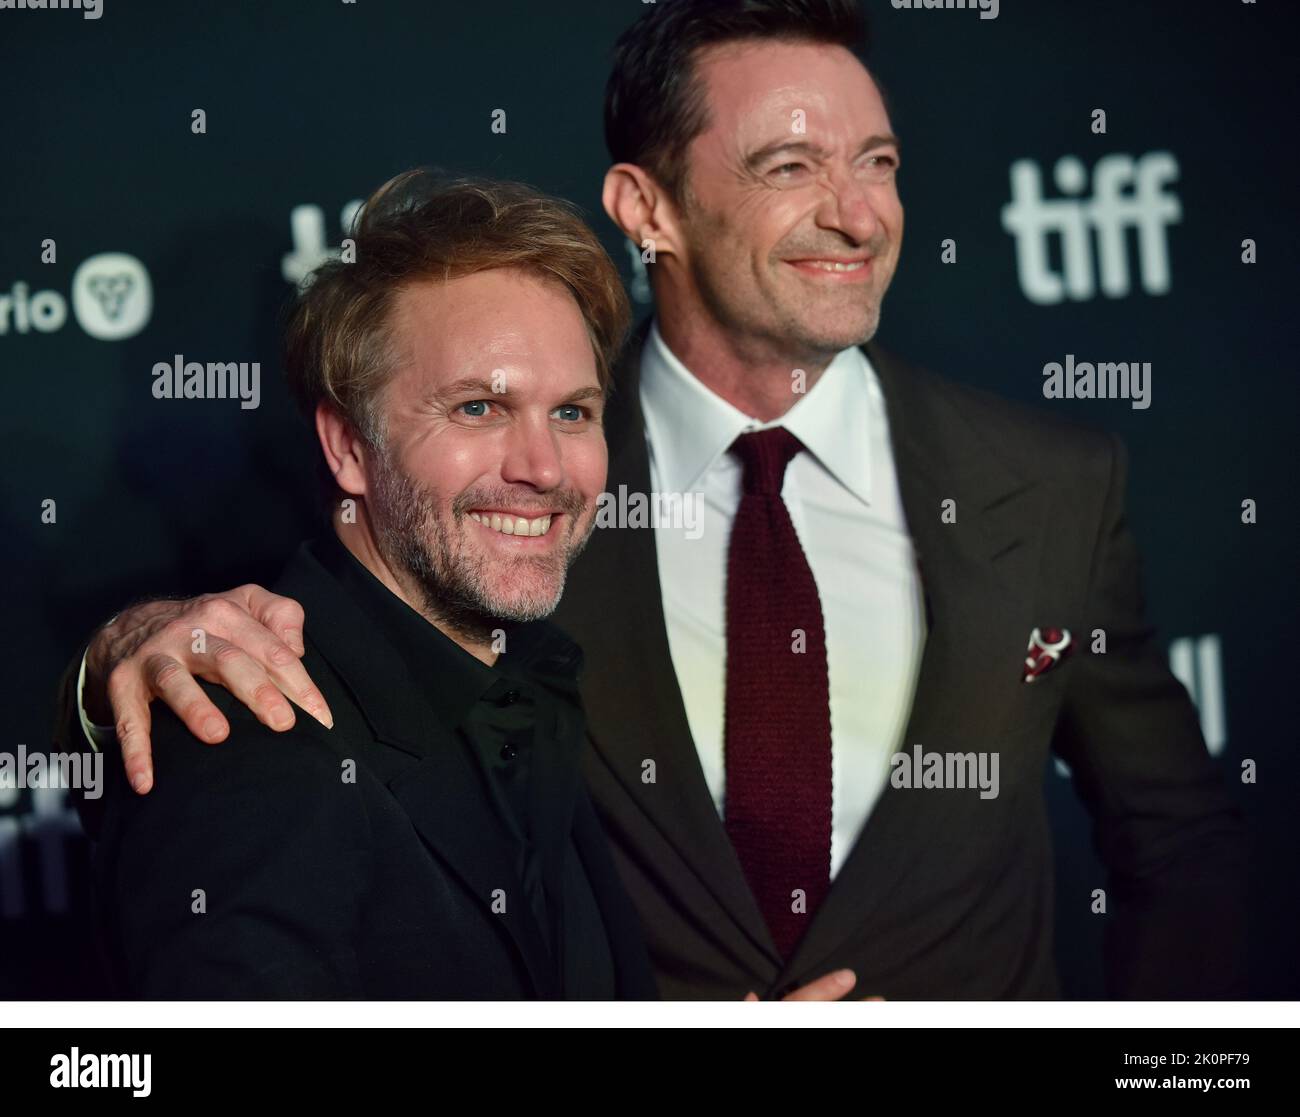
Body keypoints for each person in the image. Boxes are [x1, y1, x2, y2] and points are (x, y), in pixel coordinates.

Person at [59, 0, 1246, 999]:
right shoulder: (529, 488)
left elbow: (1175, 843)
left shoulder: (1046, 482)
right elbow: (337, 622)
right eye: (791, 165)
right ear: (646, 208)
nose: (857, 212)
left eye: (876, 163)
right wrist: (134, 642)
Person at [73, 170, 661, 999]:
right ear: (349, 446)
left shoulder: (535, 683)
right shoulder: (247, 741)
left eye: (571, 412)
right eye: (477, 409)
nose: (544, 468)